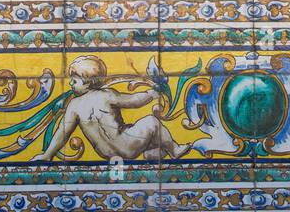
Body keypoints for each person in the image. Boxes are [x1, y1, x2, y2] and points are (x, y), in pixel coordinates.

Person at [35, 55, 191, 161]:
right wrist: (151, 93)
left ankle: (152, 153)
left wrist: (47, 155)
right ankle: (174, 149)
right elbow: (134, 101)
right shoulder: (106, 95)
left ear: (88, 82)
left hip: (107, 153)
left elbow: (62, 133)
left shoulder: (74, 106)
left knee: (146, 137)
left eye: (74, 81)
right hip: (127, 146)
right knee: (151, 122)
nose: (70, 84)